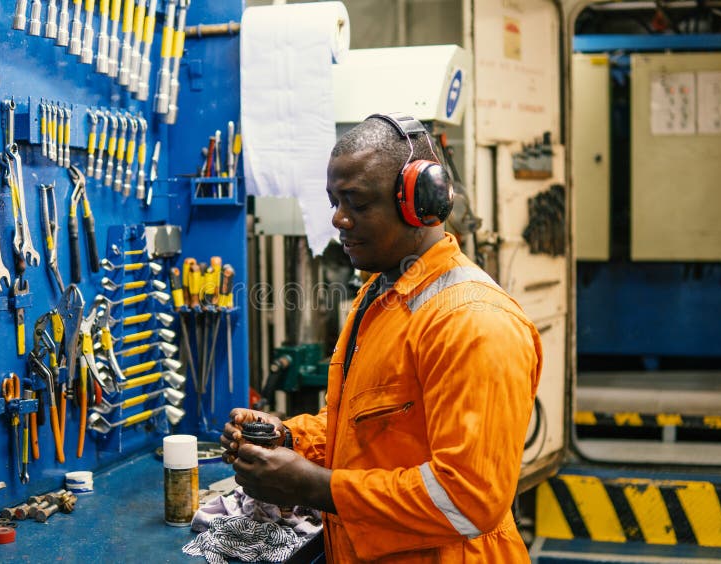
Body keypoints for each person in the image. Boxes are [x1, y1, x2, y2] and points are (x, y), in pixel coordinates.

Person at [221, 113, 543, 563]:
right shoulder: (381, 294)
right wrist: (289, 440)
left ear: (420, 202)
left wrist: (312, 484)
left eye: (356, 202)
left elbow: (468, 501)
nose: (338, 219)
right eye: (334, 201)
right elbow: (360, 428)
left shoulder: (474, 323)